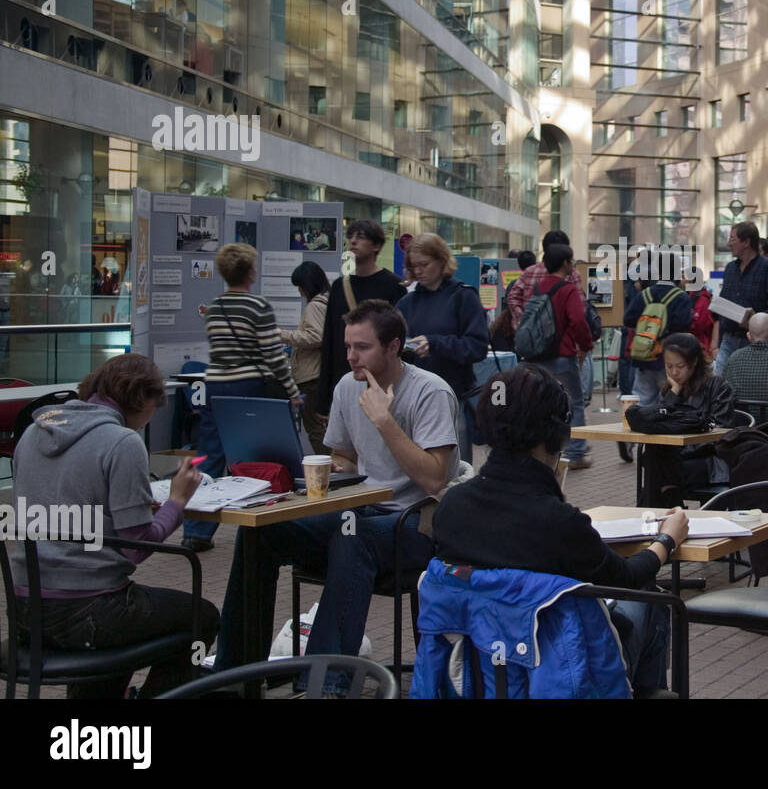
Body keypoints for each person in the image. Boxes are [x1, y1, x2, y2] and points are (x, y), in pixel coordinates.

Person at [214, 300, 461, 695]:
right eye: (347, 346)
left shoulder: (430, 391)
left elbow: (434, 480)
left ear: (393, 346)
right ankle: (234, 674)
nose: (350, 356)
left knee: (352, 538)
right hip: (361, 510)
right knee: (262, 532)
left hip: (419, 522)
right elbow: (344, 457)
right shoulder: (348, 387)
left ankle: (326, 684)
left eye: (362, 347)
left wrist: (385, 422)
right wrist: (332, 472)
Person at [432, 365, 686, 694]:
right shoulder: (557, 521)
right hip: (560, 667)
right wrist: (666, 540)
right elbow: (624, 579)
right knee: (648, 599)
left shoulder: (451, 507)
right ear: (557, 434)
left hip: (480, 670)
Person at [9, 354, 221, 698]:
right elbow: (137, 549)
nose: (150, 418)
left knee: (127, 619)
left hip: (25, 610)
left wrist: (132, 506)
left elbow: (63, 503)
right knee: (202, 616)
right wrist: (177, 502)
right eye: (154, 406)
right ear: (140, 399)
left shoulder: (34, 432)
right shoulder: (122, 442)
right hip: (88, 612)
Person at [186, 243, 301, 552]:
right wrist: (291, 390)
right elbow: (273, 356)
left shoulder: (214, 308)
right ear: (250, 271)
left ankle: (195, 529)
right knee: (255, 456)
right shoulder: (257, 306)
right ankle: (258, 527)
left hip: (215, 386)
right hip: (248, 385)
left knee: (209, 456)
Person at [397, 233, 490, 465]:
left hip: (453, 397)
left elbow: (477, 347)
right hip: (413, 397)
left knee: (454, 469)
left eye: (424, 264)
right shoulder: (405, 303)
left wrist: (435, 344)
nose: (418, 271)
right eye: (413, 266)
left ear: (441, 261)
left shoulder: (463, 296)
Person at [317, 219, 407, 418]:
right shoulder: (340, 286)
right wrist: (324, 398)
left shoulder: (394, 286)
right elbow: (330, 341)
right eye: (350, 237)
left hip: (381, 382)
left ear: (376, 245)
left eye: (361, 237)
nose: (353, 242)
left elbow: (400, 342)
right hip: (344, 378)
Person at [639, 333, 737, 505]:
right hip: (676, 460)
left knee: (656, 467)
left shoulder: (717, 386)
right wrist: (673, 394)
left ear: (694, 363)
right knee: (654, 457)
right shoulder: (671, 389)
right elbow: (655, 420)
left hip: (708, 461)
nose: (674, 372)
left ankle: (666, 509)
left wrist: (680, 448)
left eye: (680, 366)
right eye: (669, 366)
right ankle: (672, 504)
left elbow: (720, 433)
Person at [529, 244, 595, 469]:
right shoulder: (567, 290)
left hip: (537, 355)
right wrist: (586, 345)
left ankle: (541, 452)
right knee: (574, 403)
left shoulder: (538, 287)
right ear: (566, 263)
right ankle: (575, 453)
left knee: (540, 404)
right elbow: (578, 320)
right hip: (563, 354)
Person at [711, 221, 768, 373]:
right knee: (719, 384)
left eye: (732, 239)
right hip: (729, 339)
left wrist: (756, 318)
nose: (728, 244)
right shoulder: (730, 269)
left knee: (751, 384)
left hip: (756, 341)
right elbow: (722, 305)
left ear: (746, 242)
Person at [623, 256, 693, 409]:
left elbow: (628, 319)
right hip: (670, 358)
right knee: (669, 401)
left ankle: (640, 429)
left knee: (642, 400)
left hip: (644, 356)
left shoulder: (644, 295)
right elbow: (683, 325)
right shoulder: (681, 297)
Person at [282, 261, 331, 454]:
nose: (300, 293)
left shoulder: (315, 306)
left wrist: (283, 334)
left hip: (310, 376)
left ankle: (327, 470)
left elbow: (315, 336)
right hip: (318, 374)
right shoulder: (328, 301)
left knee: (316, 430)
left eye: (301, 287)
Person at [507, 230, 582, 329]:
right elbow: (580, 307)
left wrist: (523, 320)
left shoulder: (530, 271)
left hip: (532, 334)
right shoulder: (572, 274)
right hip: (561, 335)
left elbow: (512, 297)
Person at [685, 268, 716, 360]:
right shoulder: (693, 296)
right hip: (693, 343)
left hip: (699, 345)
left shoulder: (702, 299)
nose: (683, 280)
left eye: (685, 277)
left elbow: (699, 325)